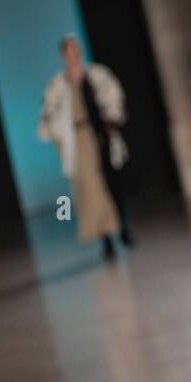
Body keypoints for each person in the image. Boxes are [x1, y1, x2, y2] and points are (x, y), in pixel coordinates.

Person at [37, 35, 133, 259]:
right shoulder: (58, 84)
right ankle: (106, 238)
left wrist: (112, 120)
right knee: (91, 189)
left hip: (101, 134)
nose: (72, 55)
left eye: (75, 50)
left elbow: (113, 97)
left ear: (79, 51)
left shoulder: (97, 74)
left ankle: (123, 229)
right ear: (63, 55)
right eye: (68, 51)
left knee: (113, 182)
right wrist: (57, 136)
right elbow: (48, 113)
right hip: (78, 139)